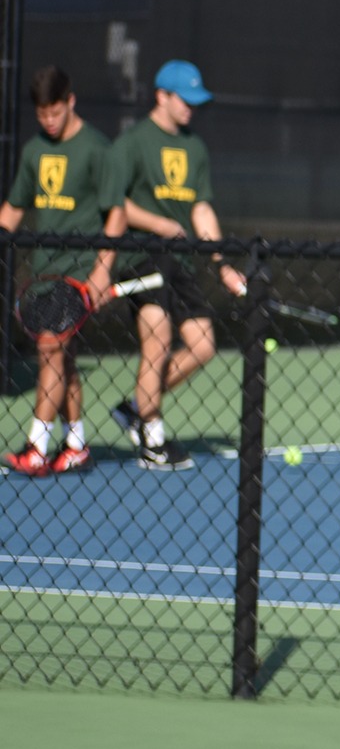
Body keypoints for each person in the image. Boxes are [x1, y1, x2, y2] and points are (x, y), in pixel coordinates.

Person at [103, 58, 245, 471]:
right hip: (141, 258)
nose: (191, 108)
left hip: (180, 262)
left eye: (196, 101)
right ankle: (153, 438)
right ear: (161, 96)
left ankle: (135, 408)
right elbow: (117, 203)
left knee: (203, 346)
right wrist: (159, 223)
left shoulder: (194, 147)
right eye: (185, 100)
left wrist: (220, 263)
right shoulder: (131, 143)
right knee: (158, 339)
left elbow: (201, 209)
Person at [1, 66, 127, 475]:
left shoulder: (97, 149)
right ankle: (75, 445)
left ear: (70, 101)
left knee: (50, 349)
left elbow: (117, 214)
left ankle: (36, 449)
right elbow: (16, 206)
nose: (49, 121)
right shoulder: (35, 151)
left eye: (55, 112)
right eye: (42, 115)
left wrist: (102, 271)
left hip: (78, 272)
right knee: (63, 357)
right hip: (43, 271)